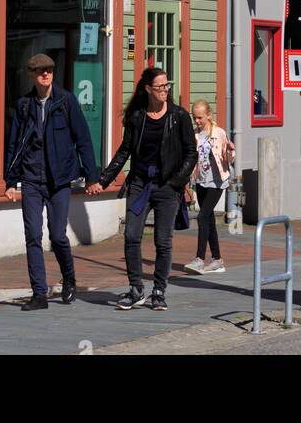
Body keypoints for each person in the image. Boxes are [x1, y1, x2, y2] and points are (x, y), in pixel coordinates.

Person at [90, 67, 196, 311]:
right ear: (148, 89)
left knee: (163, 241)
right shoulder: (137, 117)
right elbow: (124, 151)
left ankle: (159, 290)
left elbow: (190, 152)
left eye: (167, 86)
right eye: (160, 87)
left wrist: (177, 181)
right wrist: (103, 180)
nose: (165, 91)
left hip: (168, 186)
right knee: (132, 236)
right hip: (140, 184)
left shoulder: (179, 116)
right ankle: (136, 289)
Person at [4, 53, 99, 311]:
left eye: (49, 70)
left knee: (57, 235)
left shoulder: (66, 101)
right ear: (32, 75)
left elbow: (83, 139)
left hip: (59, 180)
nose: (46, 74)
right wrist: (10, 181)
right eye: (40, 71)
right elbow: (13, 145)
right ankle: (39, 294)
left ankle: (69, 277)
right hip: (32, 179)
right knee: (33, 235)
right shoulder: (25, 105)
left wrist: (92, 177)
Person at [184, 101, 235, 274]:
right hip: (201, 180)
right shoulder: (195, 135)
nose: (197, 121)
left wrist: (231, 151)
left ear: (208, 115)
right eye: (194, 117)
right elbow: (192, 157)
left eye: (199, 117)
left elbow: (228, 158)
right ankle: (217, 260)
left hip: (218, 181)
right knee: (209, 219)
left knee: (202, 216)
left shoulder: (219, 133)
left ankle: (199, 259)